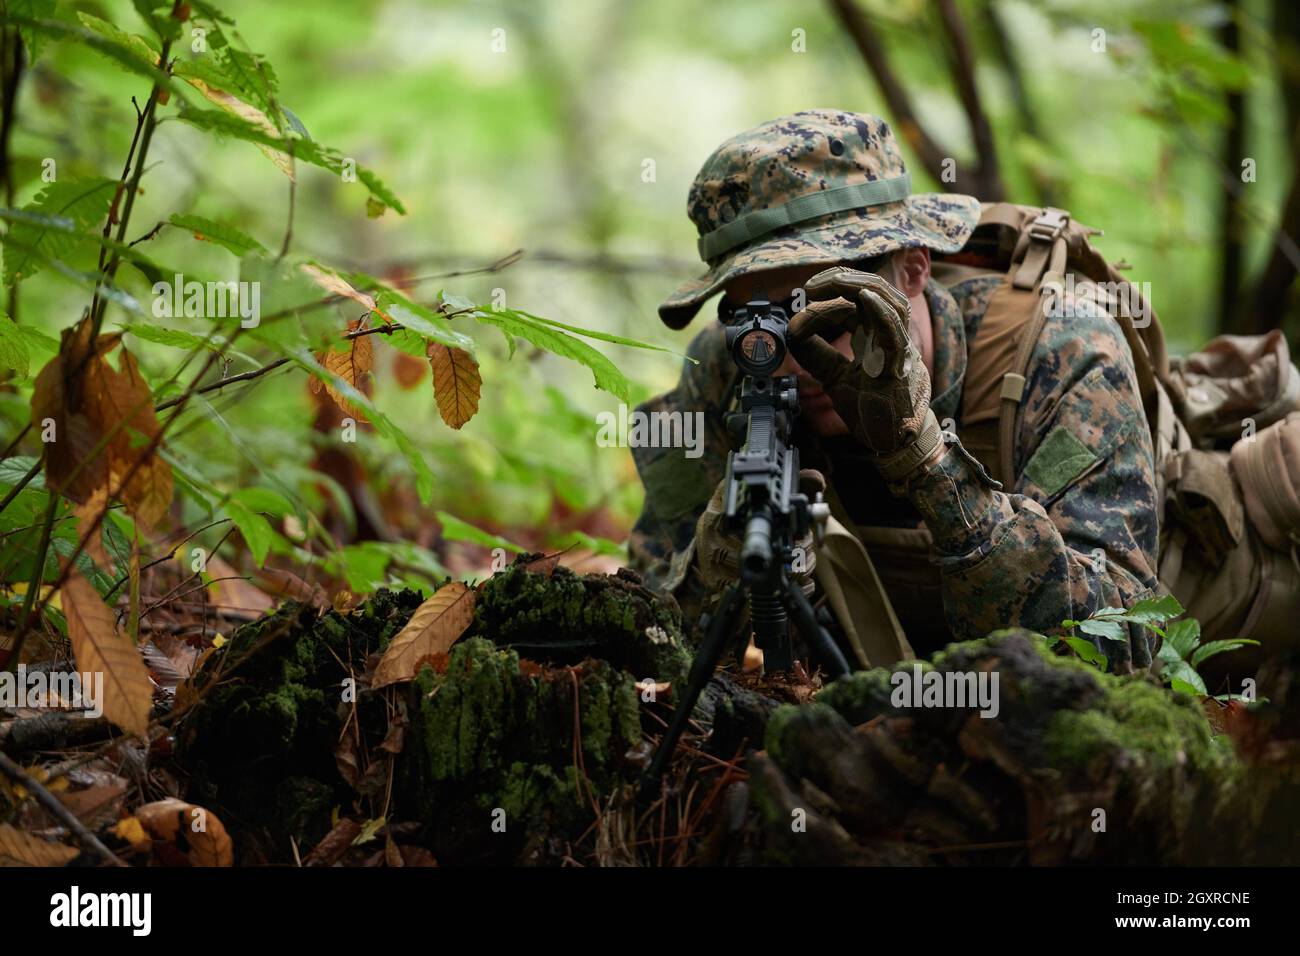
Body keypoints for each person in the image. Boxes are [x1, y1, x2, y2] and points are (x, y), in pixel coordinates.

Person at [628, 109, 1161, 672]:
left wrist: (927, 460)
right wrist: (721, 562)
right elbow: (649, 631)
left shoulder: (1060, 352)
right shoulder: (728, 367)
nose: (790, 360)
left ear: (913, 270)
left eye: (826, 320)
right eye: (757, 324)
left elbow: (1120, 643)